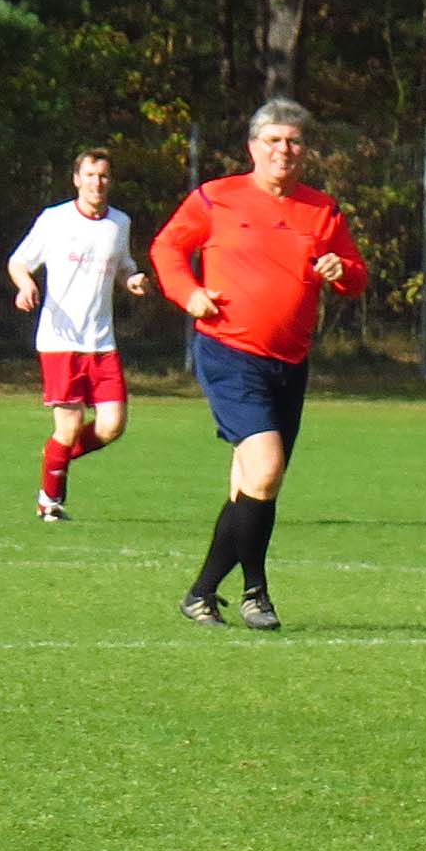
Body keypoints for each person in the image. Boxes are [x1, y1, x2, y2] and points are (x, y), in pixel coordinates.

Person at [149, 98, 365, 631]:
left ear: (305, 151)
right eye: (273, 140)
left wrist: (343, 270)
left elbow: (355, 276)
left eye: (293, 141)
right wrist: (188, 293)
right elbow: (167, 249)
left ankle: (225, 593)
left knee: (253, 484)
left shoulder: (322, 209)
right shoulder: (216, 197)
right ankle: (233, 593)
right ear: (253, 147)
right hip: (228, 351)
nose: (283, 150)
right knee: (265, 467)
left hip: (290, 362)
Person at [5, 147, 147, 520]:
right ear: (76, 179)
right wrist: (24, 286)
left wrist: (132, 278)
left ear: (109, 181)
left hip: (102, 342)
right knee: (67, 428)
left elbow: (124, 264)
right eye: (89, 175)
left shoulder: (120, 223)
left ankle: (55, 458)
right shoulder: (55, 220)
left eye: (102, 176)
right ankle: (49, 500)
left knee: (112, 426)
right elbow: (19, 262)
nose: (96, 183)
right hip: (60, 341)